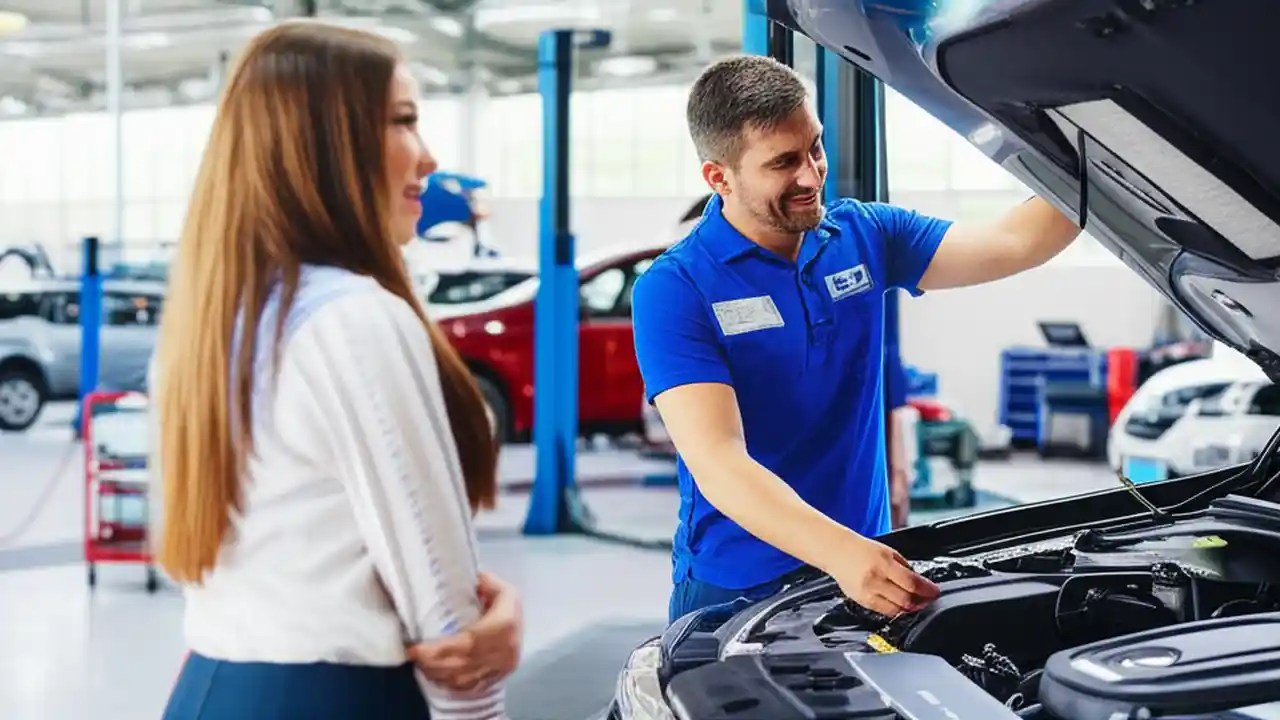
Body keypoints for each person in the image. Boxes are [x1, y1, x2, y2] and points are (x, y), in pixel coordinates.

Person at [151, 21, 519, 719]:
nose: (428, 157)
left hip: (213, 687)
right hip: (337, 697)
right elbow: (448, 629)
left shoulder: (223, 320)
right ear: (327, 145)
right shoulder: (353, 319)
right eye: (403, 122)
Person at [632, 55, 1083, 624]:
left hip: (861, 570)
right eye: (783, 163)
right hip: (737, 586)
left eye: (815, 148)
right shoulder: (676, 288)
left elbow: (1014, 242)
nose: (811, 176)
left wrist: (1098, 157)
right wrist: (841, 553)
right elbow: (719, 460)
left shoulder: (865, 235)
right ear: (718, 178)